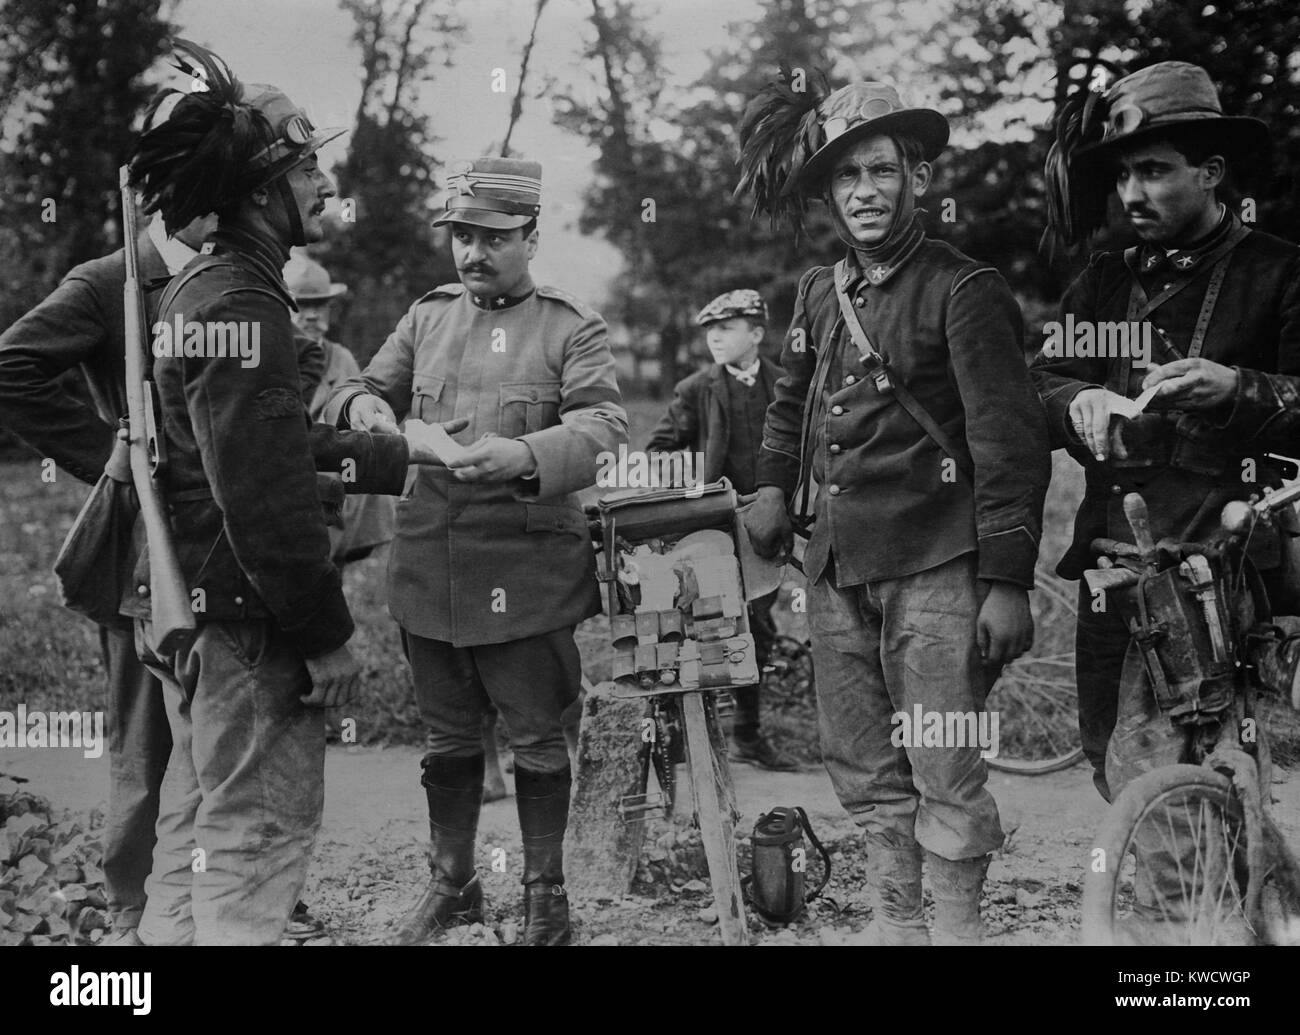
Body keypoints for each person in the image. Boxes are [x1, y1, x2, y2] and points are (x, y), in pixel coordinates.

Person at [121, 41, 455, 945]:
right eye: (307, 165)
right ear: (263, 190)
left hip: (194, 605)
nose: (322, 181)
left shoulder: (202, 287)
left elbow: (265, 445)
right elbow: (262, 500)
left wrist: (400, 456)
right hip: (246, 619)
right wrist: (327, 636)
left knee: (194, 834)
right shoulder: (243, 304)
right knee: (256, 838)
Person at [738, 78, 1051, 944]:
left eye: (882, 170)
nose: (865, 192)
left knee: (944, 762)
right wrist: (770, 489)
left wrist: (1008, 580)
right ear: (830, 193)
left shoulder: (965, 287)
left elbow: (1007, 441)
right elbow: (786, 399)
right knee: (865, 761)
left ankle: (953, 930)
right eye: (846, 178)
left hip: (937, 565)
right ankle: (893, 921)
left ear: (916, 177)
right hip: (837, 566)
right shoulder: (816, 292)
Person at [325, 156, 628, 946]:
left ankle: (543, 896)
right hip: (431, 565)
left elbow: (603, 429)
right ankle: (452, 883)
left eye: (492, 236)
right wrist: (373, 412)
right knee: (447, 738)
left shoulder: (571, 326)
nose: (472, 252)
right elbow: (356, 389)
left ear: (531, 235)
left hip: (527, 569)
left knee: (534, 737)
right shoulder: (425, 318)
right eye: (461, 235)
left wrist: (526, 456)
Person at [1031, 60, 1300, 803]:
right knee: (1109, 764)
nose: (1130, 194)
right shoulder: (1104, 281)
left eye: (1153, 171)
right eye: (1122, 176)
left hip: (1223, 568)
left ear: (1212, 172)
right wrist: (1078, 396)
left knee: (1187, 769)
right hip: (1110, 563)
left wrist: (1236, 388)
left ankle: (1187, 907)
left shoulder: (1279, 273)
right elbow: (1041, 380)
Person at [0, 206, 217, 943]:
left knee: (231, 718)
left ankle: (226, 883)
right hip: (147, 543)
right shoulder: (108, 281)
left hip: (229, 537)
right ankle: (132, 900)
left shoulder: (237, 273)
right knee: (145, 726)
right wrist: (112, 452)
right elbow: (12, 367)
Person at [646, 288, 797, 771]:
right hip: (711, 529)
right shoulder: (696, 388)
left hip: (768, 530)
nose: (714, 338)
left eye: (726, 328)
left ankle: (747, 735)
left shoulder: (786, 384)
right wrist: (695, 485)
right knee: (706, 624)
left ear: (756, 334)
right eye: (709, 330)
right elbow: (659, 451)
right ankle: (697, 732)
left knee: (758, 623)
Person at [287, 253, 396, 566]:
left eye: (319, 305)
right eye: (301, 306)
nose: (311, 316)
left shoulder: (341, 358)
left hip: (332, 496)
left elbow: (353, 429)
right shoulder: (269, 359)